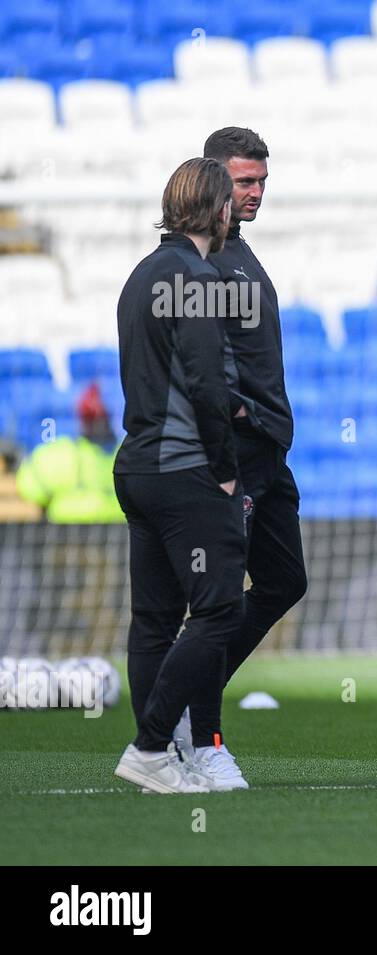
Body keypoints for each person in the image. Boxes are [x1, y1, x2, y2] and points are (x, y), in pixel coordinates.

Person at [172, 127, 308, 791]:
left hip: (270, 450)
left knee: (285, 579)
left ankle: (182, 686)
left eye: (259, 182)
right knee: (220, 599)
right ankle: (204, 740)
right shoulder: (200, 260)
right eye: (242, 182)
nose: (253, 193)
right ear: (212, 180)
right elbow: (195, 357)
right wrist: (236, 415)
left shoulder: (238, 251)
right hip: (235, 451)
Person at [111, 158, 244, 794]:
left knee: (155, 620)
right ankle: (151, 744)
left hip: (137, 463)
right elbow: (205, 382)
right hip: (184, 466)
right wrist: (224, 469)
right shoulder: (198, 276)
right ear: (219, 210)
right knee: (220, 609)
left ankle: (159, 761)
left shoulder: (141, 276)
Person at [16, 383, 124, 523]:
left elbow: (29, 485)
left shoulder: (60, 455)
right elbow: (29, 486)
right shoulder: (61, 455)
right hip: (66, 536)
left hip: (117, 534)